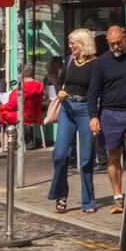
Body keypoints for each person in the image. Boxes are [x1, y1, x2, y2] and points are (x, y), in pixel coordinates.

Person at [88, 25, 126, 214]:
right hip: (110, 115)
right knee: (113, 156)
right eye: (111, 44)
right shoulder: (101, 62)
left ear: (125, 37)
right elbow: (93, 92)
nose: (115, 47)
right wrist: (93, 117)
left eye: (118, 43)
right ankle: (117, 197)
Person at [47, 29, 98, 215]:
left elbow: (94, 91)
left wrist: (94, 116)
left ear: (83, 43)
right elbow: (59, 82)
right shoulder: (70, 60)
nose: (70, 47)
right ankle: (61, 194)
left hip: (85, 109)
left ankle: (88, 200)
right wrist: (60, 90)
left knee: (85, 158)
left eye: (73, 43)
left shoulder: (95, 64)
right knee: (60, 154)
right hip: (67, 108)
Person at [0, 66, 45, 137]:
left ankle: (8, 141)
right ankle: (28, 139)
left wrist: (2, 107)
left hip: (22, 116)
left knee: (3, 113)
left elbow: (12, 104)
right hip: (35, 116)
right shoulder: (40, 86)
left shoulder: (21, 88)